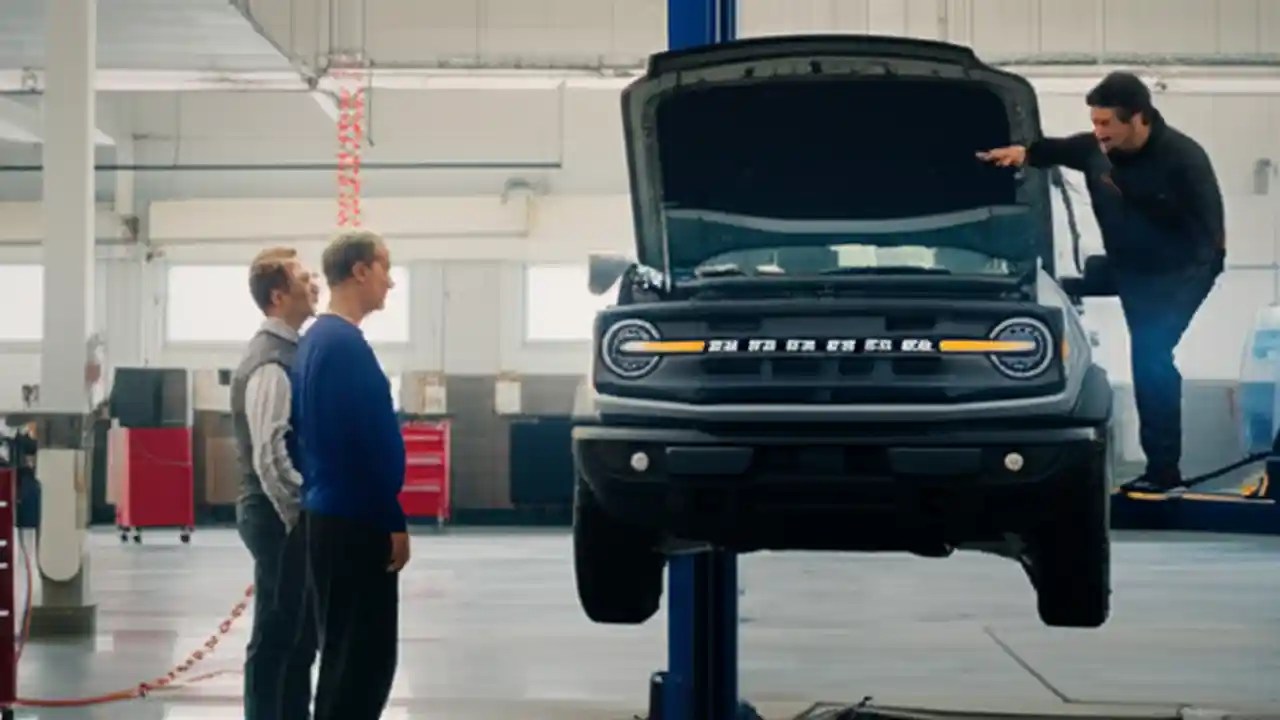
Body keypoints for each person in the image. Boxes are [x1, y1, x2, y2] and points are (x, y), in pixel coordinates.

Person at [978, 71, 1226, 492]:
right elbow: (1055, 150)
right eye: (1095, 123)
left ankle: (1165, 473)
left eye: (1107, 124)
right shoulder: (1096, 150)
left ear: (1139, 119)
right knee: (1066, 287)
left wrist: (1177, 284)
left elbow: (1212, 239)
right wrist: (1022, 153)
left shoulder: (1184, 159)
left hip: (1182, 272)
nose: (1099, 132)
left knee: (1150, 356)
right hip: (1129, 267)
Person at [290, 230, 407, 720]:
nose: (391, 282)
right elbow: (365, 444)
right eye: (385, 268)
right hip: (357, 522)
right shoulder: (344, 346)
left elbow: (300, 437)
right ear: (360, 270)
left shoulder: (315, 342)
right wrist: (391, 520)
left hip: (328, 513)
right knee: (363, 661)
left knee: (343, 654)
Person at [231, 247, 319, 720]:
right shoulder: (270, 361)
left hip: (283, 514)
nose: (314, 284)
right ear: (278, 294)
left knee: (300, 632)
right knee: (277, 631)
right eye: (304, 277)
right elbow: (270, 455)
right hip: (276, 513)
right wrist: (300, 516)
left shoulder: (291, 350)